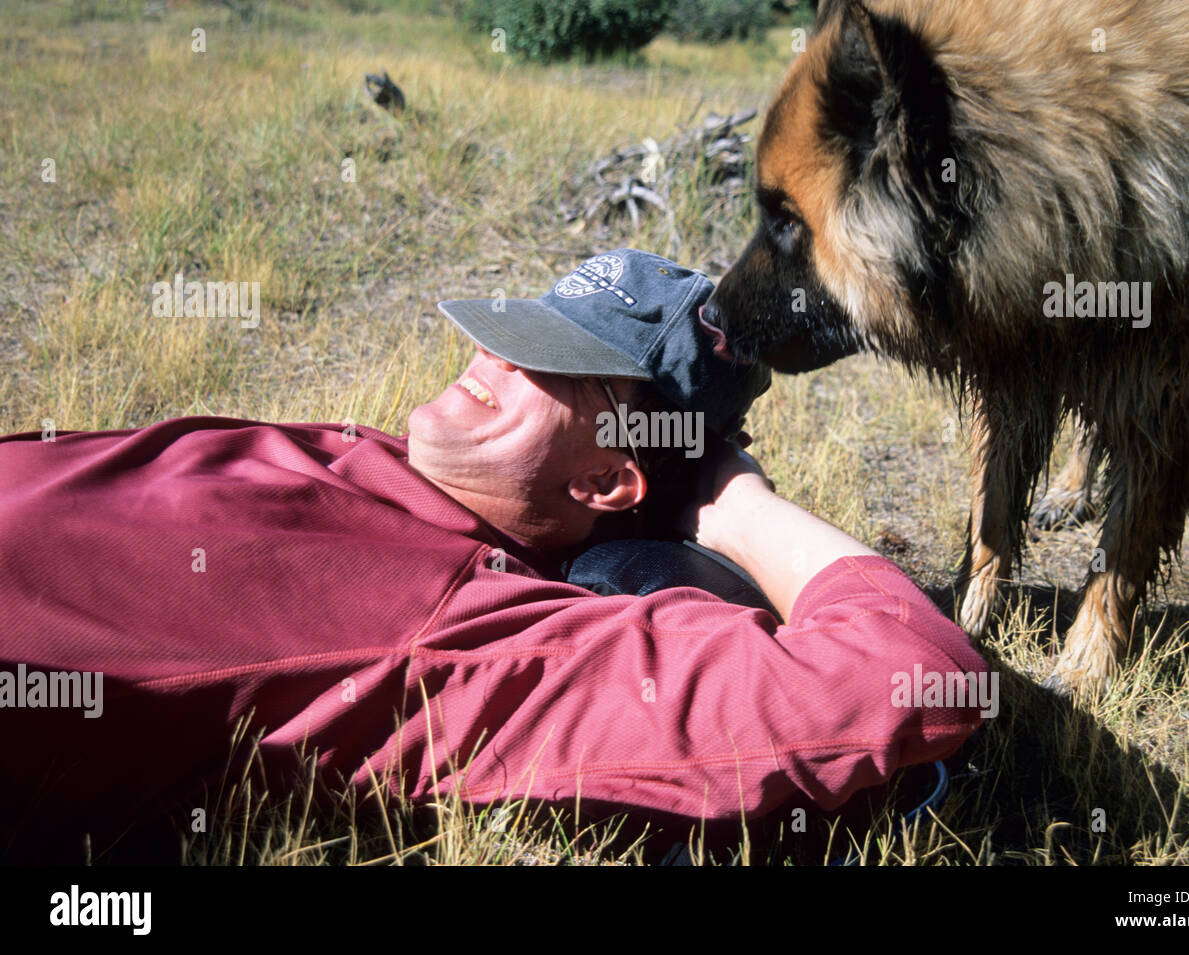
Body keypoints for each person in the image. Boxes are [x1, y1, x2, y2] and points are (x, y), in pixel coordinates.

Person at [0, 249, 990, 863]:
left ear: (605, 483)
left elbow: (916, 676)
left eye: (557, 362)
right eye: (519, 329)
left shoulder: (473, 626)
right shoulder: (367, 462)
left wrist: (736, 504)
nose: (498, 355)